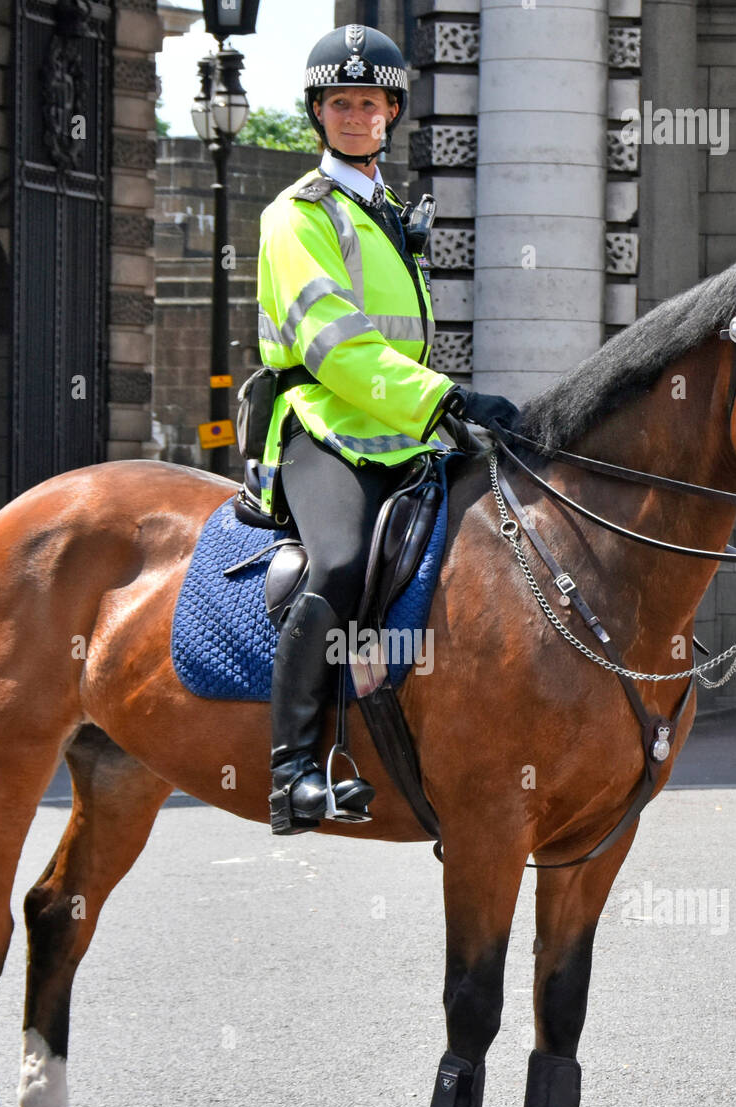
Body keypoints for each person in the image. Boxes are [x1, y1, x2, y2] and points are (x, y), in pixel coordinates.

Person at [256, 22, 520, 836]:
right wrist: (444, 398)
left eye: (371, 103)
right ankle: (293, 769)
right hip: (324, 427)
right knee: (337, 566)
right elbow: (335, 346)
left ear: (393, 113)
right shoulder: (297, 215)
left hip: (405, 431)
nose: (357, 116)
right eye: (342, 103)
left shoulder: (386, 211)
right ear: (319, 113)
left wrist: (438, 414)